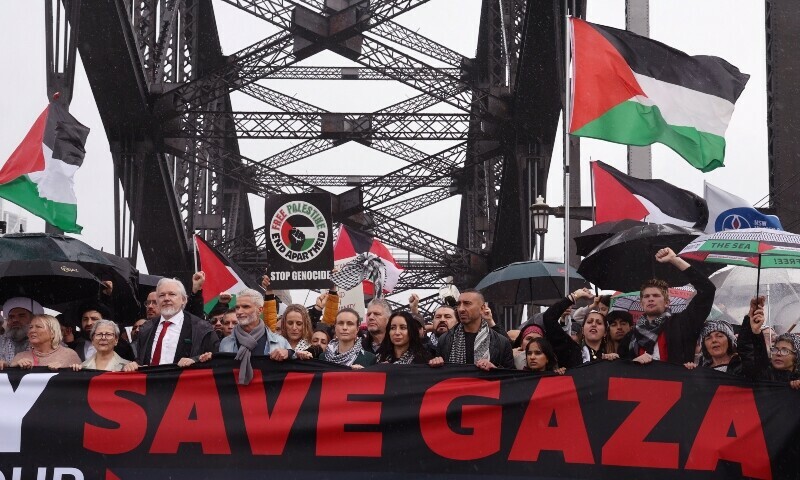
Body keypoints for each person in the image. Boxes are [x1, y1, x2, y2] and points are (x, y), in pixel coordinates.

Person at [617, 247, 716, 366]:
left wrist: (674, 260)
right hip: (642, 384)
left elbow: (707, 289)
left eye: (656, 295)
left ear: (667, 302)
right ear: (641, 303)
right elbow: (622, 368)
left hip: (678, 383)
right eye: (646, 296)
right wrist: (633, 363)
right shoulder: (631, 335)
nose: (651, 299)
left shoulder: (682, 323)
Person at [125, 278, 219, 371]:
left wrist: (194, 361)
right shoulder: (146, 329)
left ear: (183, 299)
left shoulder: (201, 328)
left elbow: (215, 359)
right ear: (157, 301)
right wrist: (134, 365)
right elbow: (141, 360)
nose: (166, 298)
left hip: (183, 384)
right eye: (162, 295)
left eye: (172, 294)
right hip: (152, 383)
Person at [429, 289, 514, 370]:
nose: (461, 309)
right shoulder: (444, 340)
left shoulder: (501, 342)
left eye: (467, 303)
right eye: (459, 304)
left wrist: (495, 370)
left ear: (482, 308)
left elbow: (511, 377)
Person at [741, 298, 800, 388]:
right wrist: (754, 328)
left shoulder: (797, 382)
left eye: (785, 351)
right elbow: (747, 350)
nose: (778, 354)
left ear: (796, 357)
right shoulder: (763, 375)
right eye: (775, 349)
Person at [0, 314, 80, 370]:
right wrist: (13, 368)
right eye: (30, 327)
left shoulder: (69, 355)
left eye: (38, 327)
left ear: (53, 333)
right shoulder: (20, 356)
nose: (32, 331)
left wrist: (64, 371)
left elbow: (79, 386)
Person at [0, 297, 42, 363]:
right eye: (11, 317)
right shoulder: (1, 341)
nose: (15, 320)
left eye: (21, 316)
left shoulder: (45, 341)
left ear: (33, 320)